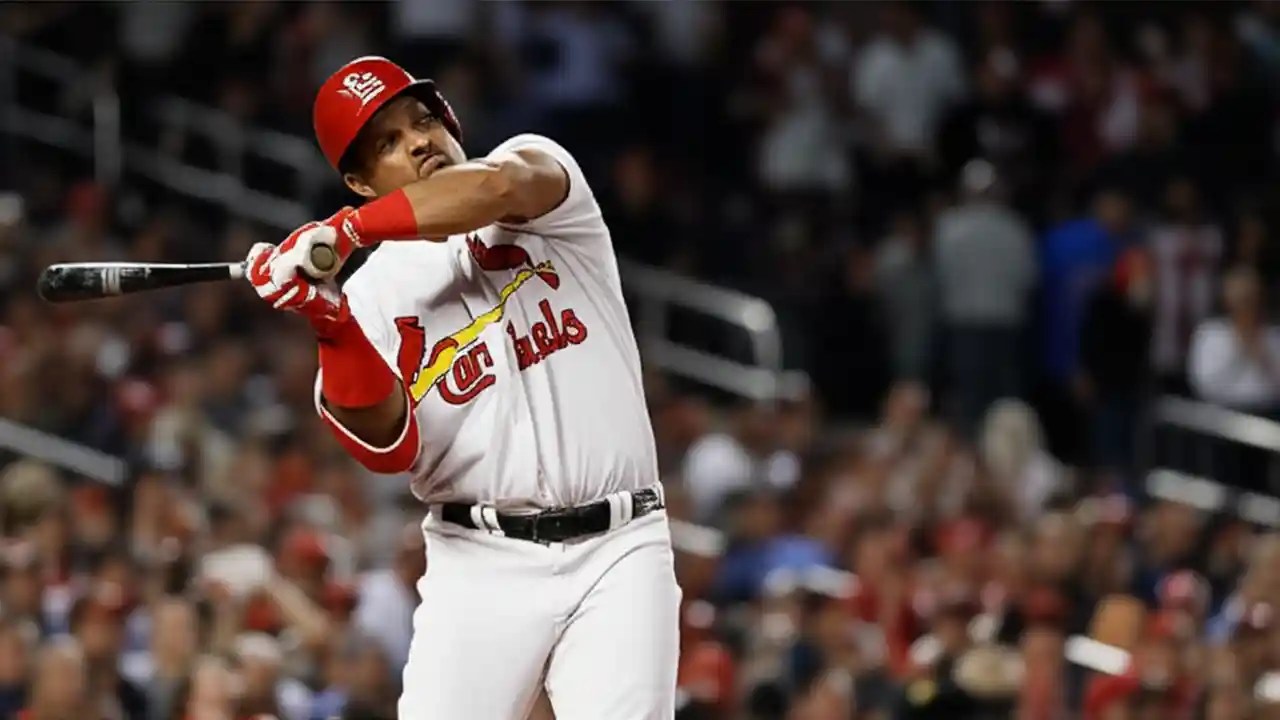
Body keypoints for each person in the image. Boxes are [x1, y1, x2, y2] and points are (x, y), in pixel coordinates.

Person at [243, 56, 679, 719]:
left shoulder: (538, 181)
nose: (418, 142)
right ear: (360, 181)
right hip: (479, 563)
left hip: (620, 546)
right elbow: (388, 448)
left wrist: (349, 229)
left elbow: (500, 187)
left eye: (423, 121)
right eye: (387, 143)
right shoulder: (371, 297)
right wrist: (331, 322)